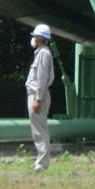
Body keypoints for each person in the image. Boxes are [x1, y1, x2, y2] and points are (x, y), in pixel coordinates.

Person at [25, 24, 56, 172]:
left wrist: (37, 99)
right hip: (37, 95)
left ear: (39, 38)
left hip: (38, 96)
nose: (33, 39)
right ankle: (41, 164)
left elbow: (42, 78)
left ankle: (41, 166)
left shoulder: (43, 53)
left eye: (34, 36)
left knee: (40, 131)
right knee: (38, 131)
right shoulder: (41, 53)